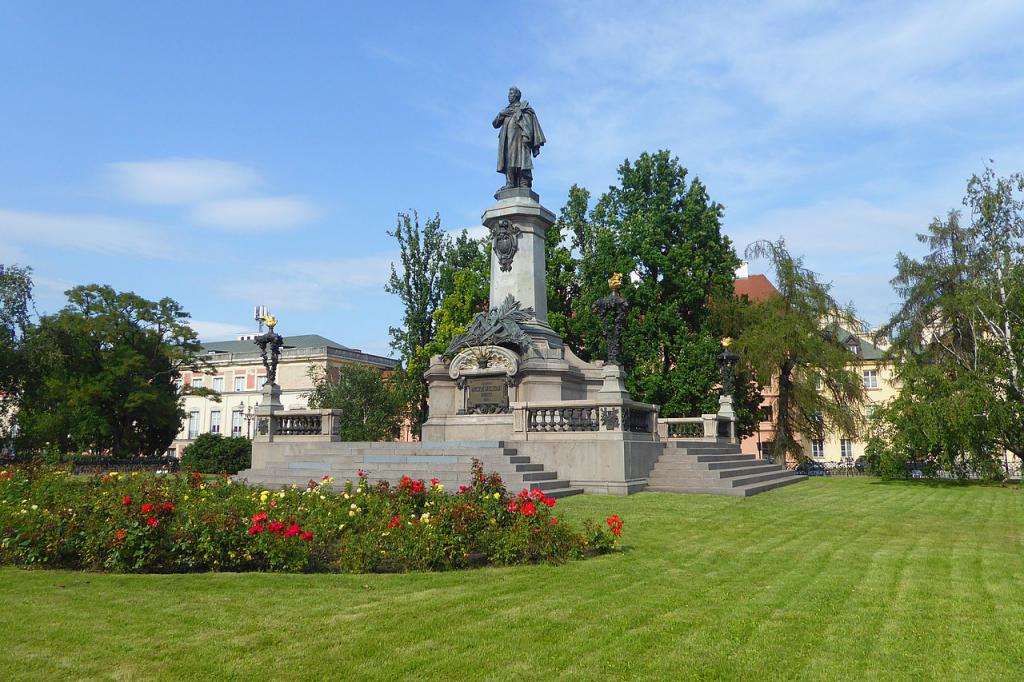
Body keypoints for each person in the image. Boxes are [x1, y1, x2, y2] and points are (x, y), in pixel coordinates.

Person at [493, 86, 546, 190]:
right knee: (509, 159)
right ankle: (510, 183)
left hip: (521, 140)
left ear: (517, 95)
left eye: (511, 94)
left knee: (522, 160)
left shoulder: (524, 108)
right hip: (507, 140)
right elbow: (495, 124)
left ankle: (524, 182)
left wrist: (527, 136)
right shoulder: (506, 111)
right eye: (509, 94)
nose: (509, 96)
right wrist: (501, 114)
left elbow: (529, 124)